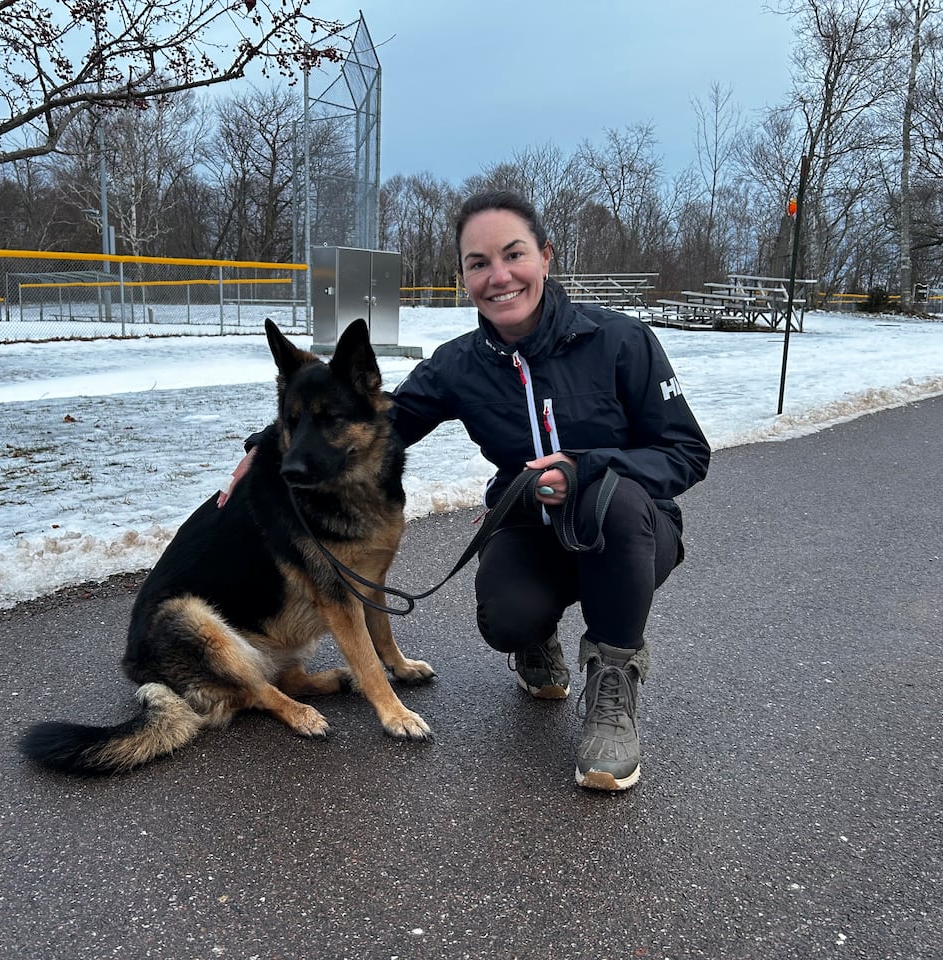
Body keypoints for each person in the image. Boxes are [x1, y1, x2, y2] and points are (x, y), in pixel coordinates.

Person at [225, 190, 710, 791]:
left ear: (546, 257)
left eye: (514, 254)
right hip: (529, 524)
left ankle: (612, 686)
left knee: (614, 499)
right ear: (463, 277)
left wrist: (585, 468)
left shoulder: (622, 341)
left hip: (632, 532)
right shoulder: (459, 364)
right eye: (479, 263)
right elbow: (373, 418)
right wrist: (270, 447)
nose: (498, 276)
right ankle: (535, 640)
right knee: (506, 617)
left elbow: (686, 453)